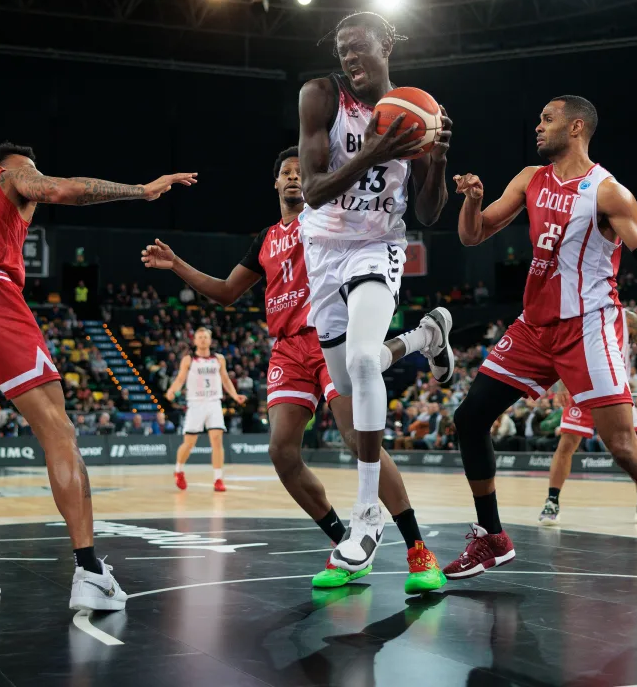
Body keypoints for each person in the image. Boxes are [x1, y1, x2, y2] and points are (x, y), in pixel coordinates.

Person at [446, 95, 637, 602]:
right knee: (469, 419)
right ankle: (491, 536)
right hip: (534, 328)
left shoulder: (608, 192)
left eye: (546, 119)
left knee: (623, 447)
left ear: (576, 128)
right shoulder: (530, 179)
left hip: (587, 326)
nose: (537, 126)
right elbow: (474, 235)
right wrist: (471, 199)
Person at [142, 146, 453, 589]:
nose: (291, 178)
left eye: (298, 172)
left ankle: (419, 552)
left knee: (355, 436)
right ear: (274, 183)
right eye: (284, 173)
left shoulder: (326, 220)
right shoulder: (266, 239)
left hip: (328, 334)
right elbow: (228, 291)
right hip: (287, 349)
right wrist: (176, 265)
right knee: (282, 453)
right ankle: (345, 543)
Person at [0, 141, 193, 612]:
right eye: (31, 168)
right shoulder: (8, 177)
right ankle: (90, 571)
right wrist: (141, 191)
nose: (34, 177)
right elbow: (62, 190)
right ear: (6, 169)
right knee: (57, 428)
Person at [296, 11, 454, 590]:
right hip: (324, 254)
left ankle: (366, 519)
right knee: (348, 400)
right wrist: (377, 149)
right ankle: (425, 337)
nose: (348, 58)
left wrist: (433, 160)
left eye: (358, 47)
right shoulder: (320, 96)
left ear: (386, 43)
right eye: (342, 50)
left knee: (364, 361)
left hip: (378, 246)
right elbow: (312, 190)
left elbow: (430, 213)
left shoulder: (417, 107)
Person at [539, 310, 637, 527]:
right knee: (567, 444)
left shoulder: (628, 318)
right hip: (581, 386)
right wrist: (562, 383)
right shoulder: (578, 313)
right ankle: (552, 501)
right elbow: (562, 350)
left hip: (614, 388)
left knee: (636, 448)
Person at [164, 328, 245, 492]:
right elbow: (180, 379)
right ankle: (178, 470)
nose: (202, 340)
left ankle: (218, 479)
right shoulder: (189, 359)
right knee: (189, 443)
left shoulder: (219, 358)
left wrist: (235, 396)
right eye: (199, 337)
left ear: (210, 340)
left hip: (214, 402)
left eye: (205, 337)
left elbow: (225, 379)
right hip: (195, 403)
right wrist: (172, 390)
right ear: (194, 341)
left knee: (217, 440)